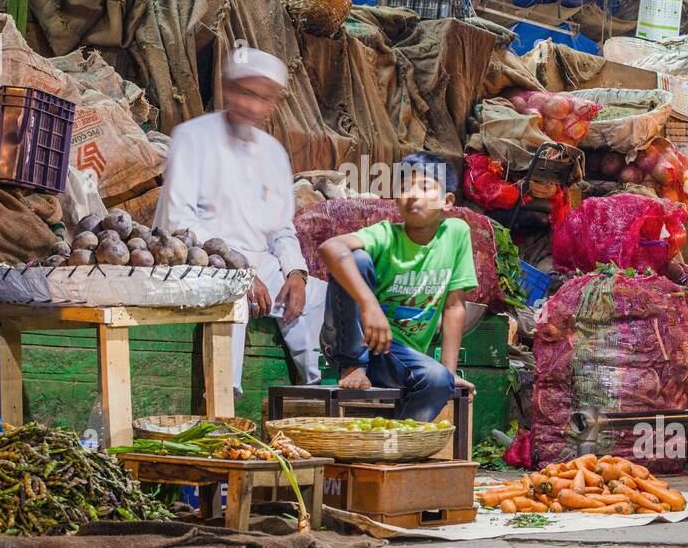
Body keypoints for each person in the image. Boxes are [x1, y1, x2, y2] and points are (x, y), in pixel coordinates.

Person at [153, 46, 326, 391]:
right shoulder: (192, 137)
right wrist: (239, 273)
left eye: (262, 98)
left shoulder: (273, 153)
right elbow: (178, 223)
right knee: (230, 299)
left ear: (273, 104)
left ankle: (314, 393)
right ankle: (225, 406)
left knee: (322, 297)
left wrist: (296, 273)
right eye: (245, 93)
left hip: (259, 266)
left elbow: (281, 227)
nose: (251, 105)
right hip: (199, 263)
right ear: (228, 89)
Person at [319, 151, 477, 422]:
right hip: (358, 341)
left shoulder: (456, 233)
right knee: (355, 259)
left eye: (425, 187)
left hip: (399, 355)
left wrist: (449, 375)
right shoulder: (385, 234)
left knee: (438, 379)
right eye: (404, 187)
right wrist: (370, 306)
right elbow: (330, 248)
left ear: (447, 201)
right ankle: (352, 365)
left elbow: (453, 306)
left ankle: (396, 442)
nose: (412, 195)